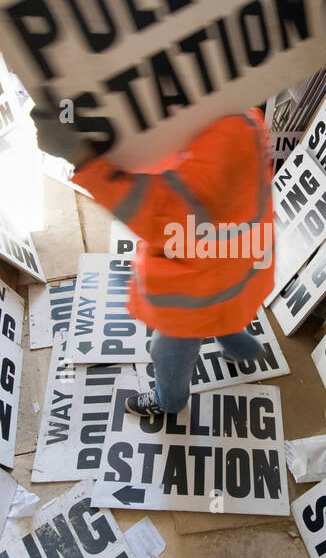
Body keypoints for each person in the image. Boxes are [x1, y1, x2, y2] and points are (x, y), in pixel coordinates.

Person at [31, 107, 275, 417]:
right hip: (238, 266)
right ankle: (245, 350)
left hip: (197, 287)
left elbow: (155, 210)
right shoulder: (245, 119)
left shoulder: (202, 150)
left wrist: (81, 156)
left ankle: (169, 400)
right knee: (224, 312)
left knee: (168, 351)